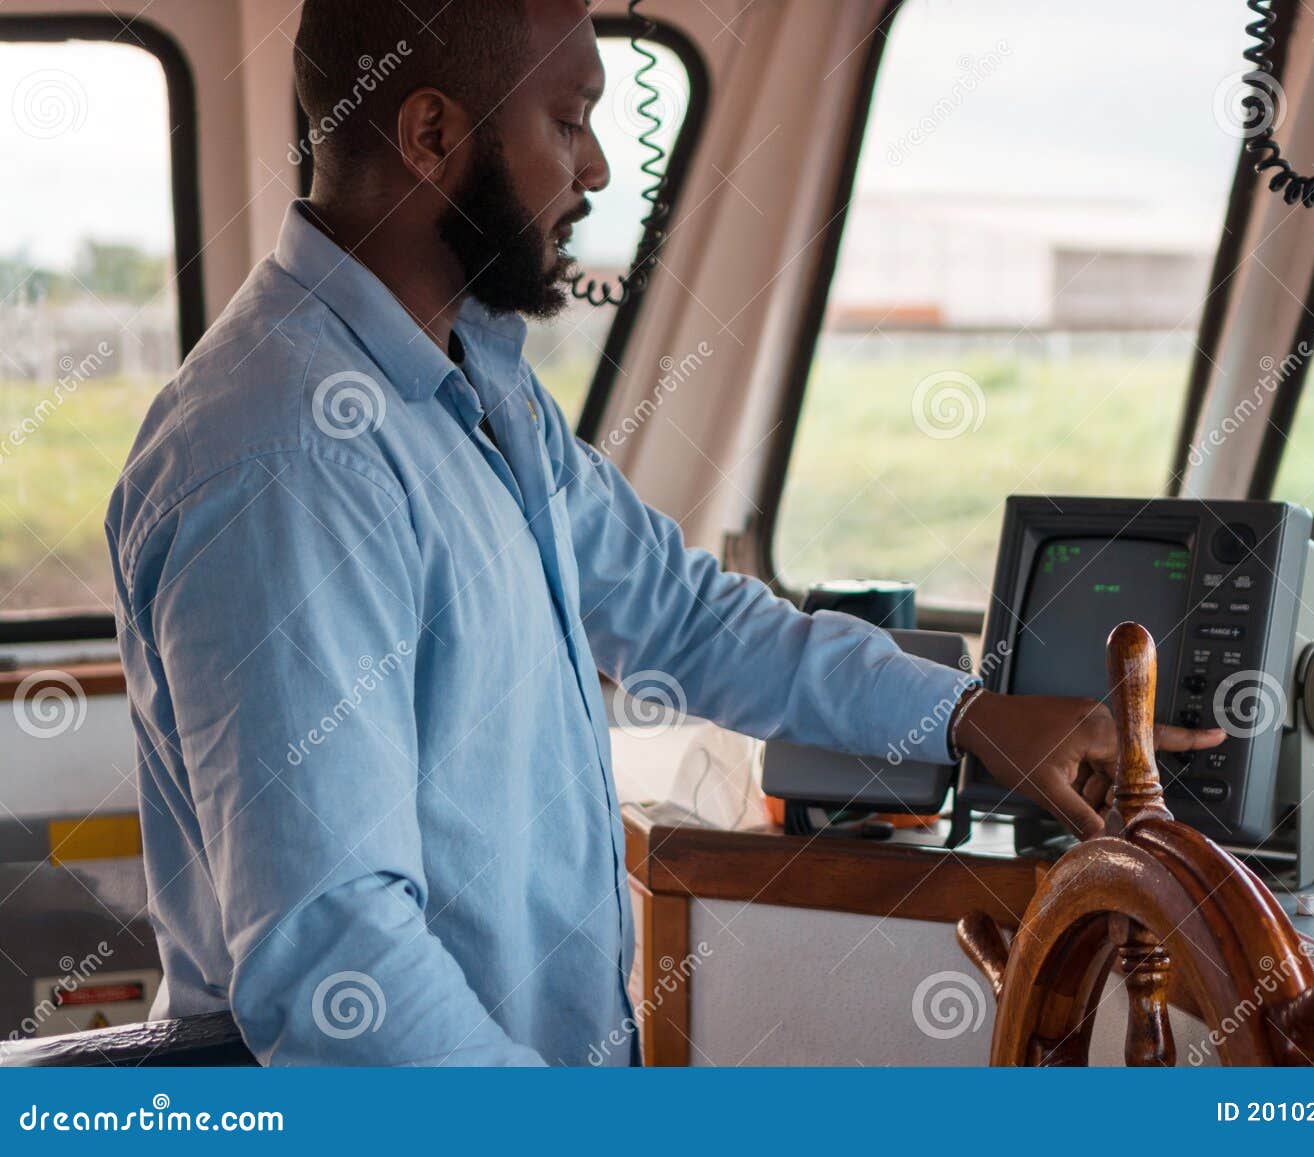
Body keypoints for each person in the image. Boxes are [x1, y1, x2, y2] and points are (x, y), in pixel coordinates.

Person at [106, 0, 1223, 1066]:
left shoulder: (466, 383)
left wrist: (968, 716)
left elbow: (682, 616)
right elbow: (338, 966)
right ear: (431, 133)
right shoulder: (285, 464)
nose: (593, 168)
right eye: (569, 119)